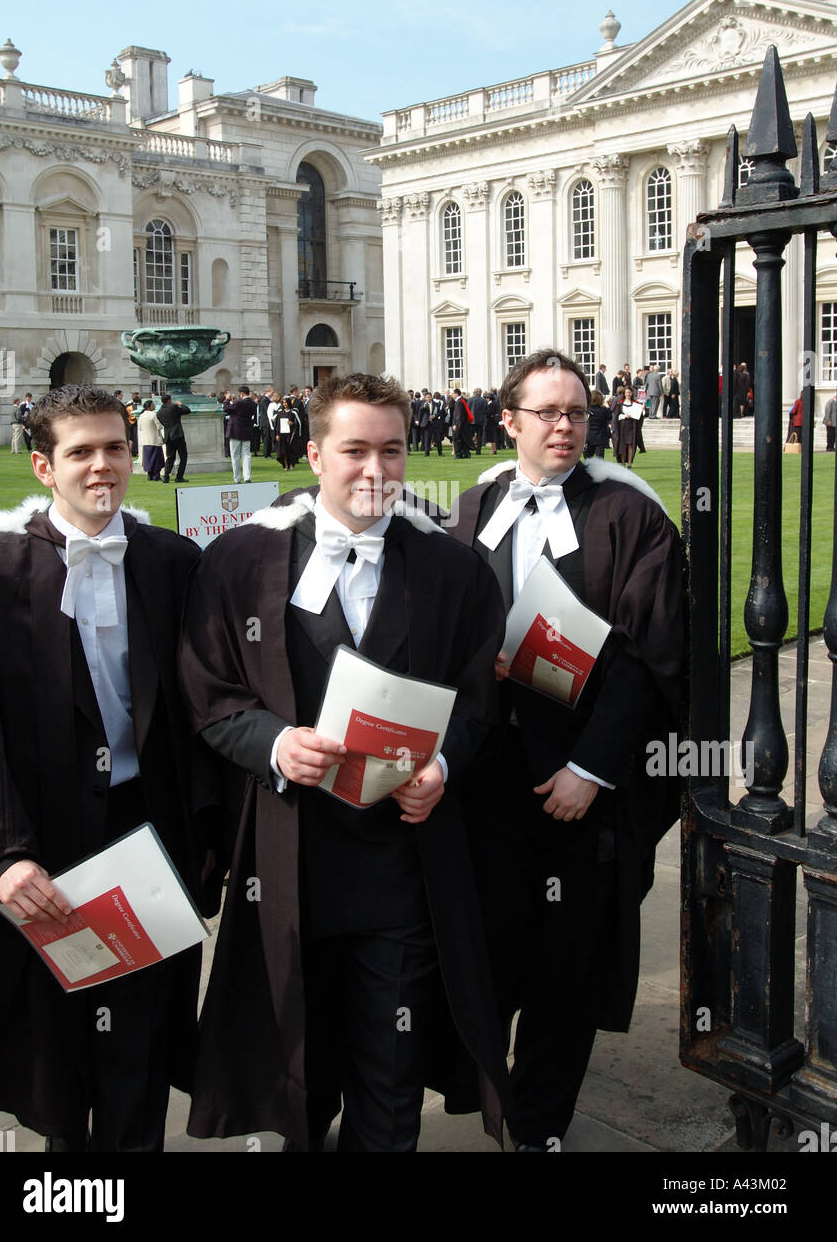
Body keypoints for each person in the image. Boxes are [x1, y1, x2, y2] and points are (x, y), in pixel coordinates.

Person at [180, 372, 510, 1153]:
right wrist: (273, 743)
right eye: (355, 449)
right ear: (315, 452)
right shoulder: (240, 561)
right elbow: (209, 691)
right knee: (299, 1063)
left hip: (402, 866)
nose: (376, 470)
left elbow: (476, 701)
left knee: (389, 1071)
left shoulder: (451, 569)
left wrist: (444, 769)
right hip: (288, 861)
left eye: (392, 451)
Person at [446, 348, 684, 1152]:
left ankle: (539, 1123)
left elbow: (655, 658)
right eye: (547, 412)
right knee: (492, 944)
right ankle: (494, 1095)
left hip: (577, 783)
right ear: (507, 420)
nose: (565, 426)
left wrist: (593, 769)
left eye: (577, 412)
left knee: (566, 960)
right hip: (484, 779)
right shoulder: (476, 506)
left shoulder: (630, 514)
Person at [0, 385, 222, 1152]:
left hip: (144, 831)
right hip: (39, 838)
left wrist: (209, 843)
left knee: (138, 1046)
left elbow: (207, 702)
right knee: (56, 1052)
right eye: (81, 452)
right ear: (44, 466)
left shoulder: (174, 562)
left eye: (115, 446)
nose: (103, 466)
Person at [156, 393, 192, 482]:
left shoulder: (159, 412)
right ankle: (179, 477)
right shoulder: (173, 407)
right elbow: (187, 410)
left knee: (170, 457)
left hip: (168, 435)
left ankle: (166, 476)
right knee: (183, 456)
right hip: (177, 434)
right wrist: (180, 404)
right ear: (169, 400)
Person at [223, 385, 255, 484]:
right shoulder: (253, 404)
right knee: (246, 455)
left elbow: (226, 409)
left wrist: (227, 399)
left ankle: (237, 478)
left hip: (235, 431)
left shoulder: (239, 402)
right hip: (247, 431)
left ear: (241, 393)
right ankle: (247, 477)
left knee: (235, 456)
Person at [137, 397, 165, 481]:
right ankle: (156, 476)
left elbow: (140, 428)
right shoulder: (153, 415)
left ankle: (150, 475)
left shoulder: (141, 416)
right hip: (155, 440)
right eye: (153, 405)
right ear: (149, 406)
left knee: (148, 459)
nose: (154, 406)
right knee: (156, 459)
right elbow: (159, 426)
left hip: (146, 441)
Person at [612, 386, 640, 466]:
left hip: (632, 426)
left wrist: (642, 409)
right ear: (624, 393)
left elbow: (639, 415)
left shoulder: (635, 403)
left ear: (632, 393)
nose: (628, 394)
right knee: (623, 445)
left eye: (629, 393)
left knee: (630, 445)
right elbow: (617, 415)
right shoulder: (620, 403)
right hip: (623, 426)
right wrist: (624, 416)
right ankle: (623, 462)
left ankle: (630, 463)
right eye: (626, 392)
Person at [584, 388, 612, 459]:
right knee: (599, 459)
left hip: (589, 436)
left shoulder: (587, 410)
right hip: (600, 437)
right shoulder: (603, 410)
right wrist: (608, 406)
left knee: (588, 458)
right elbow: (610, 417)